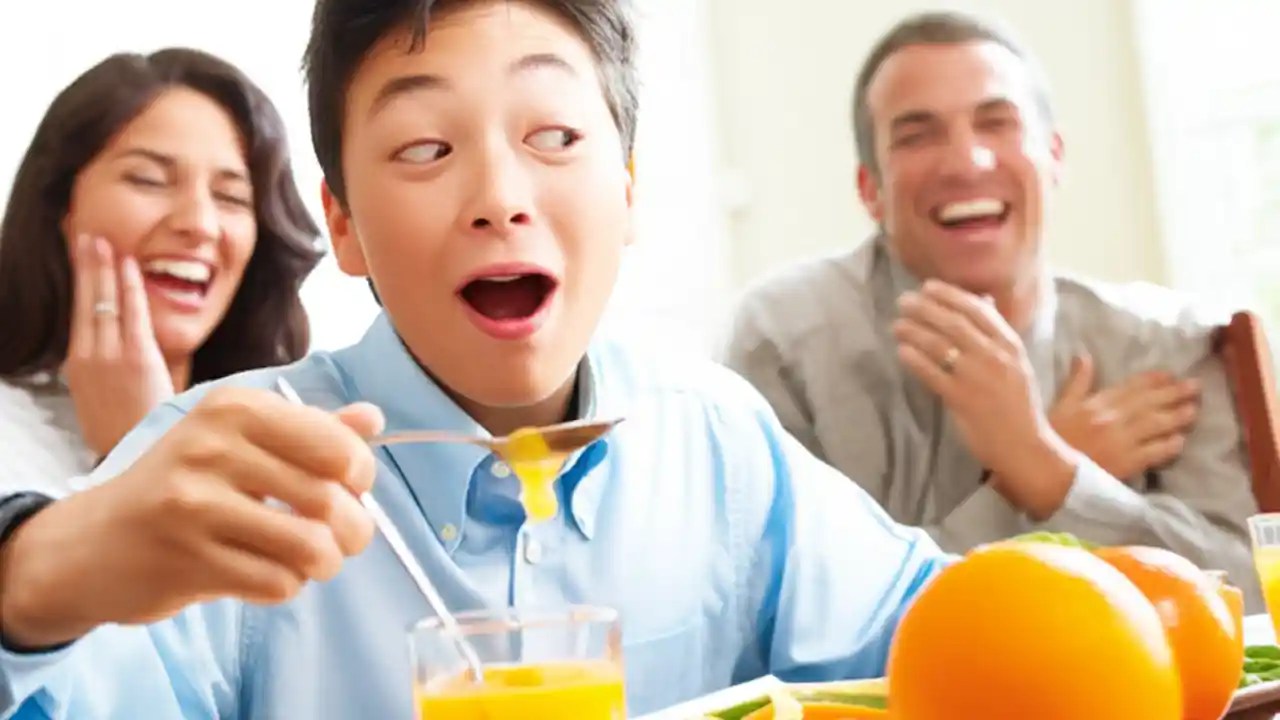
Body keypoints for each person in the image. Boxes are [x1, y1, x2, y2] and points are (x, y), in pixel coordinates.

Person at [0, 2, 950, 718]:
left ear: (627, 190)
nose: (499, 196)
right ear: (343, 223)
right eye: (425, 148)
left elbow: (952, 636)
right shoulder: (231, 469)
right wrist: (30, 580)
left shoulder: (713, 441)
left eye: (555, 137)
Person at [724, 11, 1259, 606]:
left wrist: (1050, 472)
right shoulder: (783, 341)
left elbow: (1255, 590)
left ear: (1054, 156)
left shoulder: (1173, 345)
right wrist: (1022, 487)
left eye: (997, 123)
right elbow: (799, 609)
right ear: (869, 189)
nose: (967, 162)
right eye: (917, 135)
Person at [0, 48, 323, 495]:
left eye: (230, 197)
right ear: (60, 208)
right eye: (147, 180)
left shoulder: (291, 437)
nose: (199, 224)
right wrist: (138, 448)